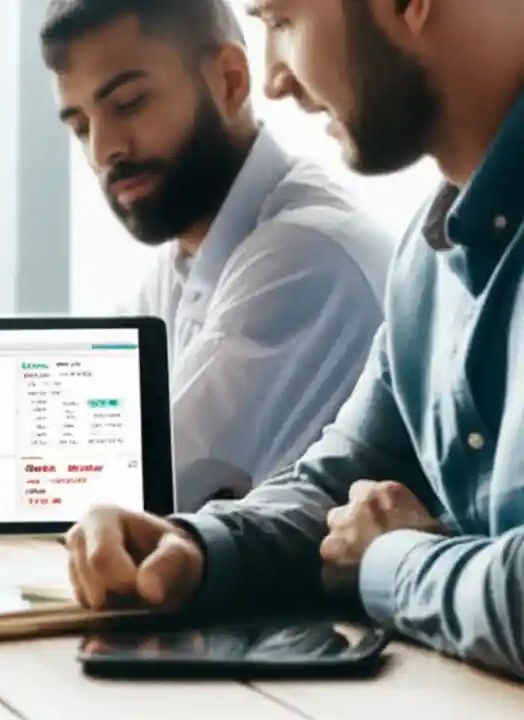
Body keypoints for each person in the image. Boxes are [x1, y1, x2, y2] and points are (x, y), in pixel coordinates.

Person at [65, 0, 524, 680]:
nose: (274, 79)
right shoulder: (427, 266)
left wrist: (392, 559)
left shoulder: (314, 244)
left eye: (282, 21)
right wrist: (195, 548)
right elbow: (335, 483)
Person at [40, 0, 394, 512]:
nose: (103, 151)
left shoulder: (304, 254)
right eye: (80, 126)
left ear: (229, 81)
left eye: (129, 102)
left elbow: (136, 499)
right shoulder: (186, 262)